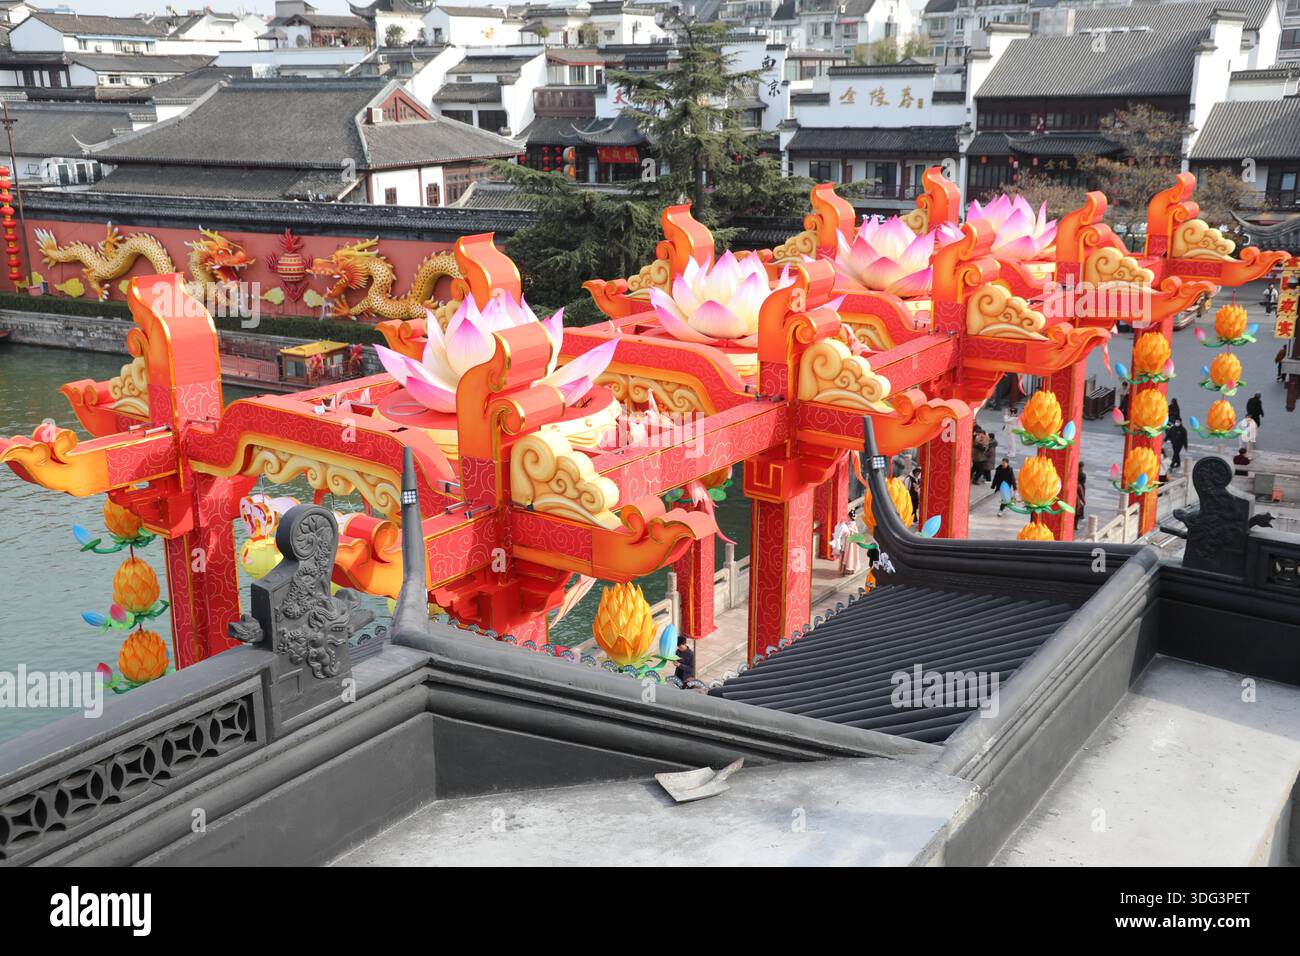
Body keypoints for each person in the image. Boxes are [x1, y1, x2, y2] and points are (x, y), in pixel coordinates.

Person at [831, 508, 863, 576]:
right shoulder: (849, 525)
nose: (847, 518)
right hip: (846, 544)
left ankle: (848, 570)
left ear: (851, 518)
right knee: (846, 556)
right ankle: (844, 569)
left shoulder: (852, 527)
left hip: (849, 545)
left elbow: (847, 534)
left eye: (848, 517)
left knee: (849, 555)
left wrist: (845, 531)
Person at [1075, 465, 1087, 530]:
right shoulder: (1079, 486)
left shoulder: (1076, 474)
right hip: (1078, 500)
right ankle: (1075, 525)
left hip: (1076, 498)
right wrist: (1084, 501)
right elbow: (1082, 495)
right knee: (1078, 511)